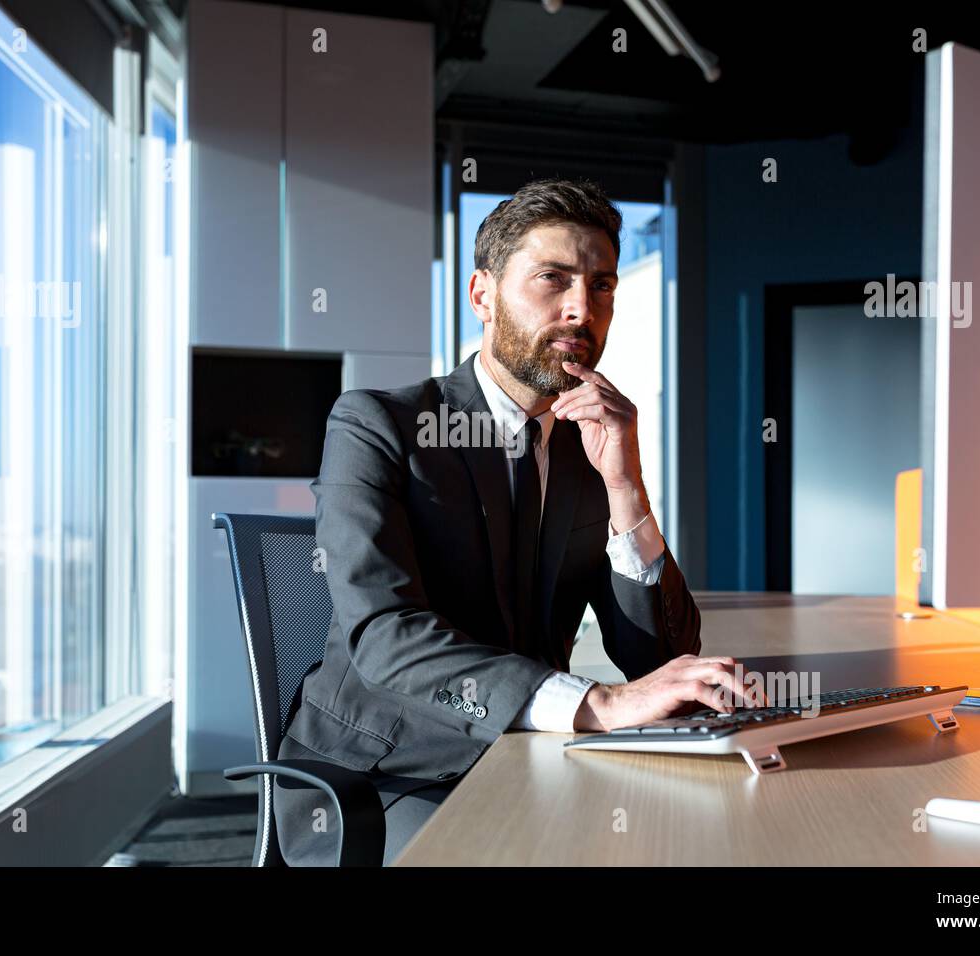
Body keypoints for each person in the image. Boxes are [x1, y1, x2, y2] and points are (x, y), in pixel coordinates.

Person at [272, 177, 746, 866]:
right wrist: (601, 706)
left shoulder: (589, 450)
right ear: (483, 295)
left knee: (701, 837)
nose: (582, 309)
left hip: (535, 755)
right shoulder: (381, 425)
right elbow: (385, 635)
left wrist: (627, 488)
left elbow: (658, 657)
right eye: (552, 279)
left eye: (602, 285)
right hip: (385, 776)